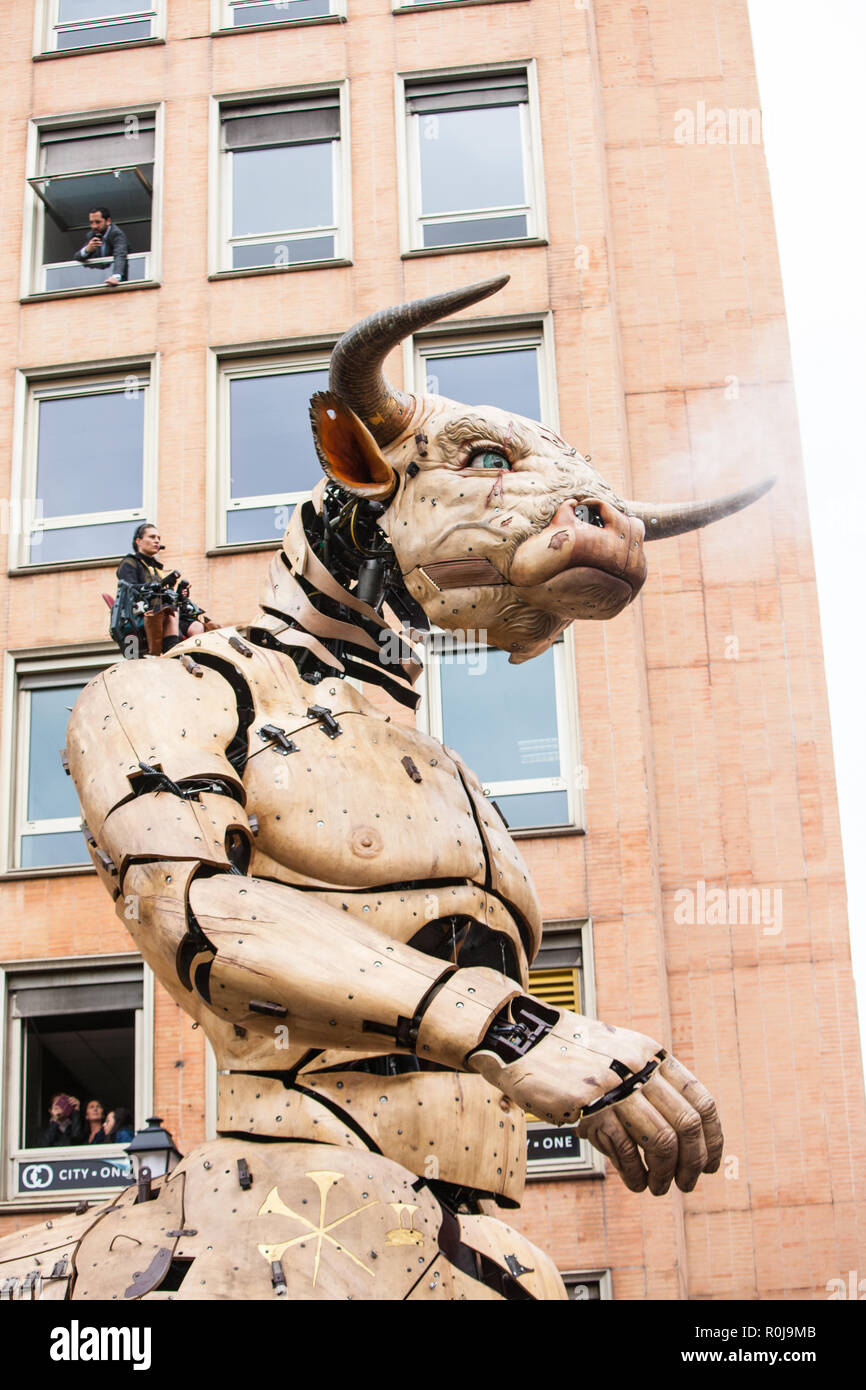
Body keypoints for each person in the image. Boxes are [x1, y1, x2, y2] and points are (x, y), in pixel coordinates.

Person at [116, 522, 209, 655]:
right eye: (152, 537)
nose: (157, 541)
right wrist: (156, 586)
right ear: (139, 541)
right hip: (143, 615)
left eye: (158, 538)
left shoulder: (156, 567)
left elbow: (161, 594)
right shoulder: (129, 563)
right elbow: (129, 588)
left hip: (163, 611)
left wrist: (178, 594)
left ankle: (197, 657)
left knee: (197, 626)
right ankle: (174, 653)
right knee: (171, 613)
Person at [73, 206, 128, 286]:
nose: (94, 226)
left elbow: (120, 254)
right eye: (91, 222)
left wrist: (116, 277)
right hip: (102, 280)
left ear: (108, 221)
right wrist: (87, 250)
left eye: (98, 222)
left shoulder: (117, 234)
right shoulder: (92, 235)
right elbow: (77, 257)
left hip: (120, 281)